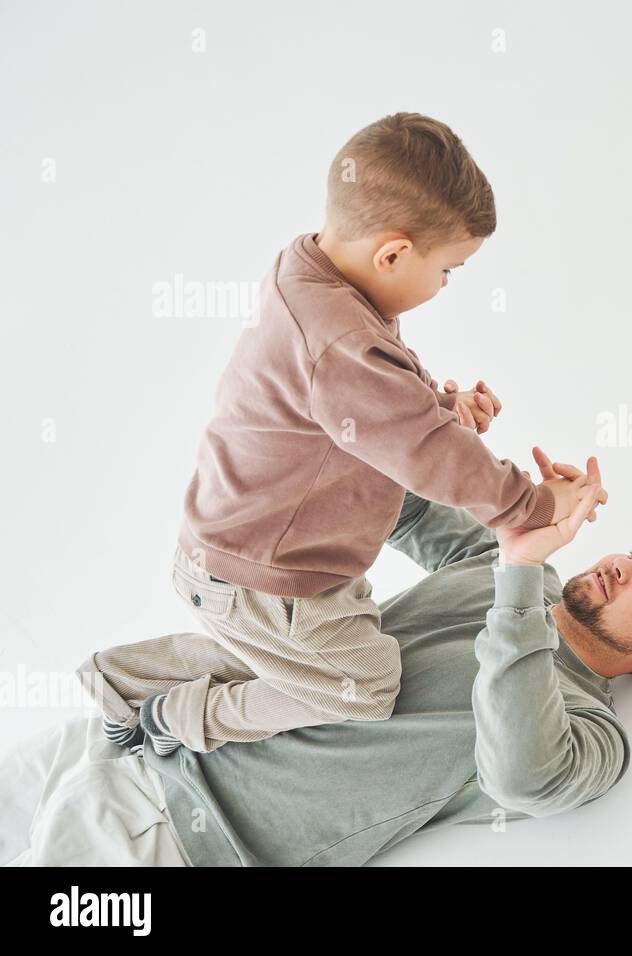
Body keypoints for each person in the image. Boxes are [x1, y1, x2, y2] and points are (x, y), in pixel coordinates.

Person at [76, 112, 604, 758]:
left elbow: (353, 406)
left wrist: (441, 404)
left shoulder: (311, 272)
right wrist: (536, 504)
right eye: (449, 272)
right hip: (264, 578)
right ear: (392, 254)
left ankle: (123, 678)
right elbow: (421, 446)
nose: (444, 287)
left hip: (249, 559)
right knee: (363, 684)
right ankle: (177, 717)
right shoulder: (340, 336)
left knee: (290, 654)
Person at [3, 456, 632, 866]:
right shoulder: (499, 565)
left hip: (170, 836)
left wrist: (518, 572)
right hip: (134, 726)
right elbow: (401, 501)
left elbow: (520, 772)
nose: (621, 564)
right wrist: (462, 446)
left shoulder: (591, 738)